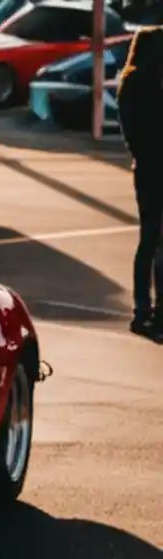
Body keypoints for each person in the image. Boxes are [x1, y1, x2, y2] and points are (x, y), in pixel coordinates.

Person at [118, 26, 163, 341]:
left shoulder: (129, 82)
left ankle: (142, 309)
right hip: (155, 167)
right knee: (156, 243)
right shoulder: (148, 85)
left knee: (149, 240)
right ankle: (155, 312)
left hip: (145, 168)